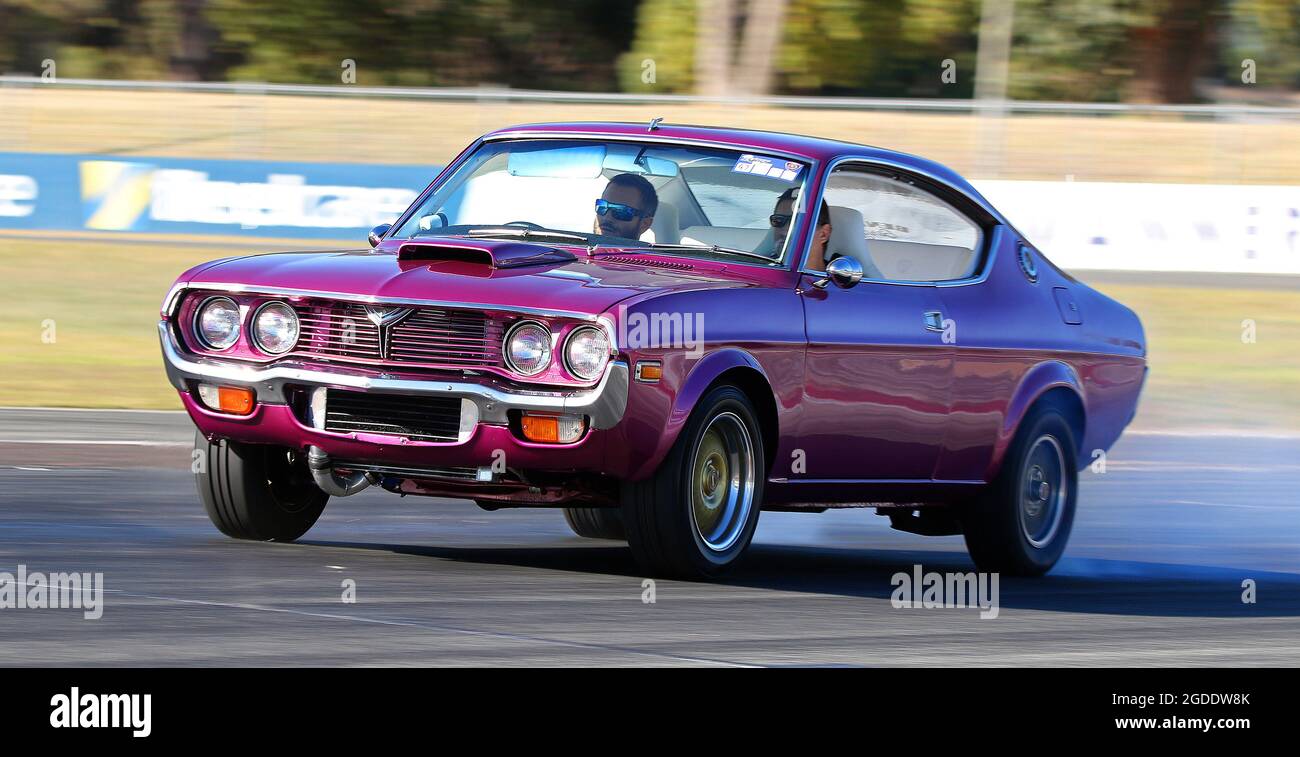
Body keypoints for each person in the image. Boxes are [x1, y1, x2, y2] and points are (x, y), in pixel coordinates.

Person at [770, 187, 833, 270]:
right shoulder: (760, 271)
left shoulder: (841, 282)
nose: (785, 231)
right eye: (778, 220)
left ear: (824, 234)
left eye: (798, 222)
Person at [594, 173, 658, 240]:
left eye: (621, 211)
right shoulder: (583, 247)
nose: (607, 217)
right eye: (602, 206)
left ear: (645, 224)